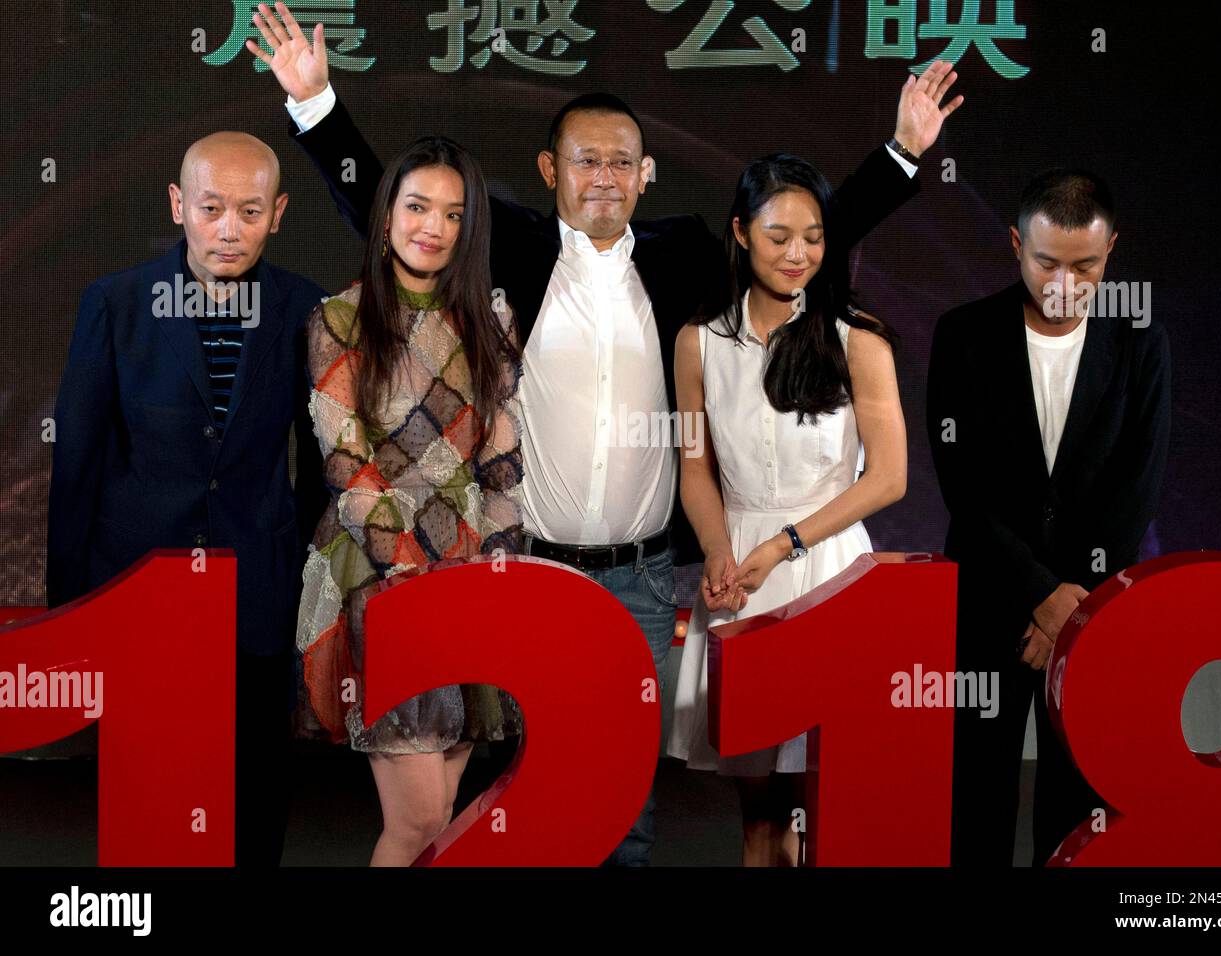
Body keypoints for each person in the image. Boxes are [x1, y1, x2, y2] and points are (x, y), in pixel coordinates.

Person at [246, 0, 958, 865]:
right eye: (586, 161)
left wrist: (901, 154)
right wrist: (317, 105)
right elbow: (392, 208)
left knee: (626, 802)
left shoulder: (684, 255)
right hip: (530, 567)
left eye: (623, 162)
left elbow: (794, 239)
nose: (605, 178)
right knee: (525, 796)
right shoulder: (505, 249)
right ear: (552, 168)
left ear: (647, 173)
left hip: (644, 582)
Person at [46, 131, 329, 866]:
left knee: (255, 794)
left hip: (256, 590)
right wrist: (69, 610)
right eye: (210, 208)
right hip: (138, 588)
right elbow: (77, 463)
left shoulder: (305, 308)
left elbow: (317, 457)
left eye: (249, 209)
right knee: (148, 795)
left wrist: (298, 569)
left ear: (279, 212)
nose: (228, 228)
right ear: (179, 204)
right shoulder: (116, 303)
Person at [667, 155, 909, 866]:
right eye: (778, 236)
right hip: (740, 569)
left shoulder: (858, 338)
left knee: (822, 801)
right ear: (740, 233)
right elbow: (694, 466)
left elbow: (890, 477)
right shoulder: (697, 343)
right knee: (757, 809)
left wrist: (784, 543)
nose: (797, 254)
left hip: (830, 566)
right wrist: (717, 549)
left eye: (813, 236)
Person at [926, 169, 1172, 866]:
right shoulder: (964, 335)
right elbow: (963, 489)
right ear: (1015, 245)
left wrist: (1073, 604)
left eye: (1086, 265)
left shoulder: (1140, 342)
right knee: (975, 804)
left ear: (1112, 251)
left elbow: (1137, 489)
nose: (1065, 281)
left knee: (1076, 810)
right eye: (1047, 262)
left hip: (1093, 615)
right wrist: (1041, 594)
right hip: (987, 605)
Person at [295, 133, 525, 867]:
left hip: (468, 573)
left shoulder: (491, 320)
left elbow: (502, 467)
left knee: (445, 813)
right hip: (376, 574)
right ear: (386, 215)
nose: (434, 227)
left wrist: (495, 570)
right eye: (418, 206)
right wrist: (406, 570)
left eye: (454, 214)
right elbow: (345, 462)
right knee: (420, 816)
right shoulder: (340, 320)